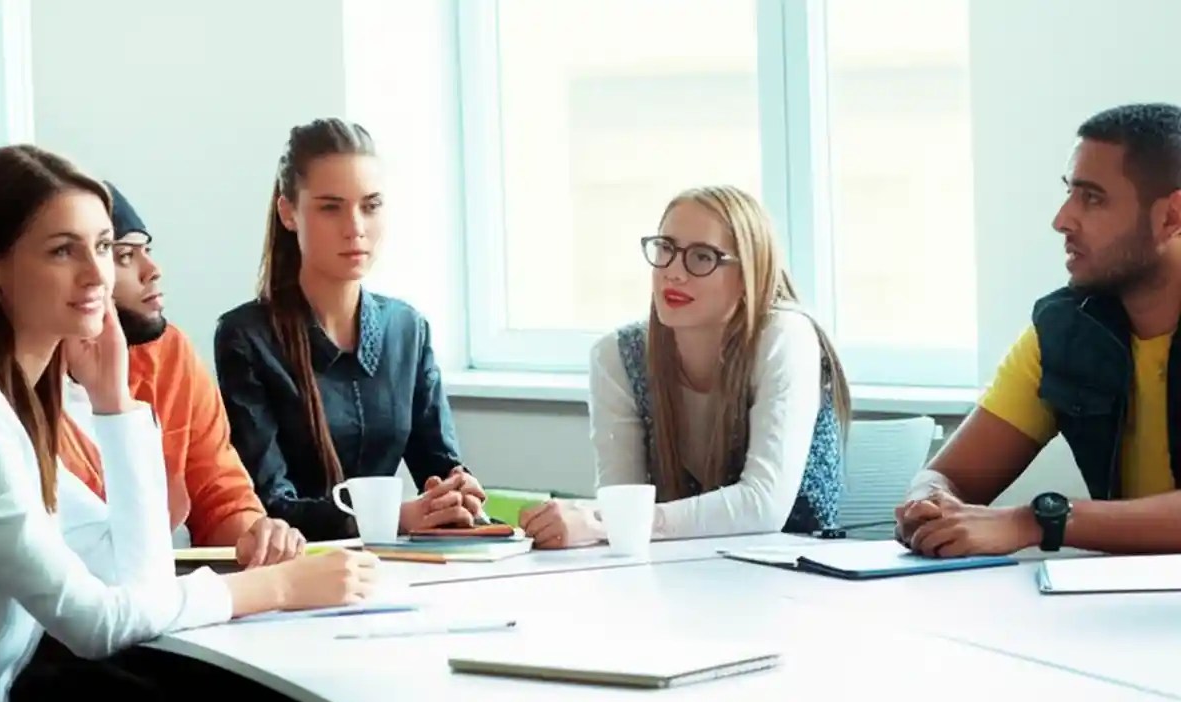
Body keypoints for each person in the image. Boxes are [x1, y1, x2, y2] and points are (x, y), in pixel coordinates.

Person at [0, 144, 376, 702]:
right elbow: (94, 623)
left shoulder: (9, 395)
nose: (96, 273)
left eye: (103, 247)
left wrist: (115, 404)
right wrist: (277, 588)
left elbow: (127, 568)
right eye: (61, 251)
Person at [897, 103, 1181, 558]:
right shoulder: (1065, 331)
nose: (1062, 220)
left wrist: (1038, 520)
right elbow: (952, 477)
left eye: (1092, 198)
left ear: (1170, 217)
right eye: (1070, 193)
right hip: (1124, 612)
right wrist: (929, 503)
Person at [520, 185, 851, 548]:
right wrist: (593, 521)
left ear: (749, 275)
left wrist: (600, 522)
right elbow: (622, 501)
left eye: (702, 257)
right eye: (666, 249)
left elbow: (763, 506)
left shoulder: (784, 336)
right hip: (672, 575)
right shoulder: (617, 355)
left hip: (796, 581)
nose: (673, 273)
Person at [215, 118, 486, 541]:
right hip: (297, 573)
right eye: (330, 207)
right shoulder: (245, 338)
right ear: (289, 213)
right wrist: (391, 518)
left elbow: (439, 465)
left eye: (371, 205)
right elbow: (270, 506)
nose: (355, 226)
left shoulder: (407, 329)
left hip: (399, 568)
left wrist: (456, 494)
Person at [57, 182, 300, 567]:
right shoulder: (15, 389)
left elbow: (219, 492)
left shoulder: (169, 353)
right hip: (109, 602)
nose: (153, 271)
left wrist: (258, 535)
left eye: (146, 251)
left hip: (179, 590)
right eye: (122, 255)